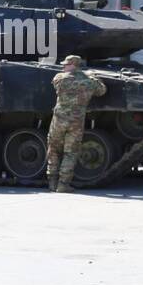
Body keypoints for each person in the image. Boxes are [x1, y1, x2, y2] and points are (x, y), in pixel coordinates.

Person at [47, 54, 107, 192]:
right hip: (76, 122)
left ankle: (52, 182)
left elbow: (57, 82)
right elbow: (102, 91)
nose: (63, 67)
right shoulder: (89, 82)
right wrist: (93, 77)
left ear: (73, 65)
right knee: (71, 152)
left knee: (53, 149)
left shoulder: (59, 78)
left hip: (59, 121)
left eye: (66, 64)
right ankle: (63, 185)